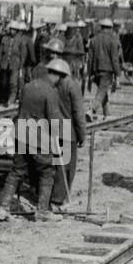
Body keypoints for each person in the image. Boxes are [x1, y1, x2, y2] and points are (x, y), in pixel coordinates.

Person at [0, 58, 71, 222]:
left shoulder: (27, 87)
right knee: (47, 172)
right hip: (39, 138)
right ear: (54, 75)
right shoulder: (50, 92)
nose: (59, 81)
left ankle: (3, 208)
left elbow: (21, 110)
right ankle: (42, 211)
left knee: (16, 171)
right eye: (59, 77)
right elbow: (54, 118)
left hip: (21, 134)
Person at [29, 37, 86, 212]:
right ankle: (56, 200)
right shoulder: (70, 82)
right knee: (64, 166)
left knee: (44, 163)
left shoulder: (40, 71)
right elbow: (78, 112)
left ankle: (40, 194)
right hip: (65, 130)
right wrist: (82, 134)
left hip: (44, 126)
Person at [87, 17, 123, 117]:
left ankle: (107, 114)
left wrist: (89, 74)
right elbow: (115, 59)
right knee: (102, 91)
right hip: (107, 70)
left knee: (102, 91)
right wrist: (118, 73)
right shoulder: (113, 41)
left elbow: (89, 59)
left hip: (96, 70)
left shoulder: (93, 40)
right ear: (111, 28)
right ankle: (92, 109)